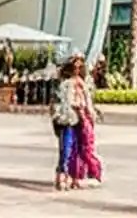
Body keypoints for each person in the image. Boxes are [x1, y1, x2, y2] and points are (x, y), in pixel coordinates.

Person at [51, 55, 102, 191]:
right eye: (74, 67)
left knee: (84, 148)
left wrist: (88, 112)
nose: (77, 70)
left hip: (82, 119)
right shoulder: (64, 84)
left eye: (80, 67)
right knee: (68, 149)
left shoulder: (82, 83)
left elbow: (87, 101)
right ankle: (64, 176)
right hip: (68, 119)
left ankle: (82, 176)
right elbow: (60, 103)